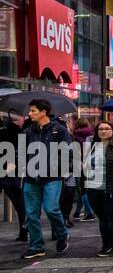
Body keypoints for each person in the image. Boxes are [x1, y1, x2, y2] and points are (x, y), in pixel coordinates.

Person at [19, 99, 73, 260]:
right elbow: (20, 153)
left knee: (51, 208)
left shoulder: (59, 130)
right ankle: (36, 246)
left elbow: (68, 152)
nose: (30, 114)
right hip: (31, 178)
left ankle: (62, 233)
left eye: (33, 111)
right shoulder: (27, 132)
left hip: (52, 177)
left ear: (43, 112)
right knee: (31, 214)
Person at [83, 120, 113, 256]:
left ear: (112, 131)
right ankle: (105, 244)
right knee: (102, 217)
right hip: (94, 187)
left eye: (107, 129)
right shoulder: (92, 146)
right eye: (100, 129)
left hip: (112, 187)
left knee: (112, 217)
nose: (103, 131)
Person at [0, 111, 27, 243]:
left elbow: (21, 147)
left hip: (9, 169)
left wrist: (15, 162)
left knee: (19, 202)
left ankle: (24, 230)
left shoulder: (11, 127)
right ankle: (24, 230)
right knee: (19, 202)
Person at [71, 118, 95, 222]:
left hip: (80, 163)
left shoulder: (75, 135)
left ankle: (89, 213)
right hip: (91, 161)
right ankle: (77, 212)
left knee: (82, 188)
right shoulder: (92, 133)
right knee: (86, 187)